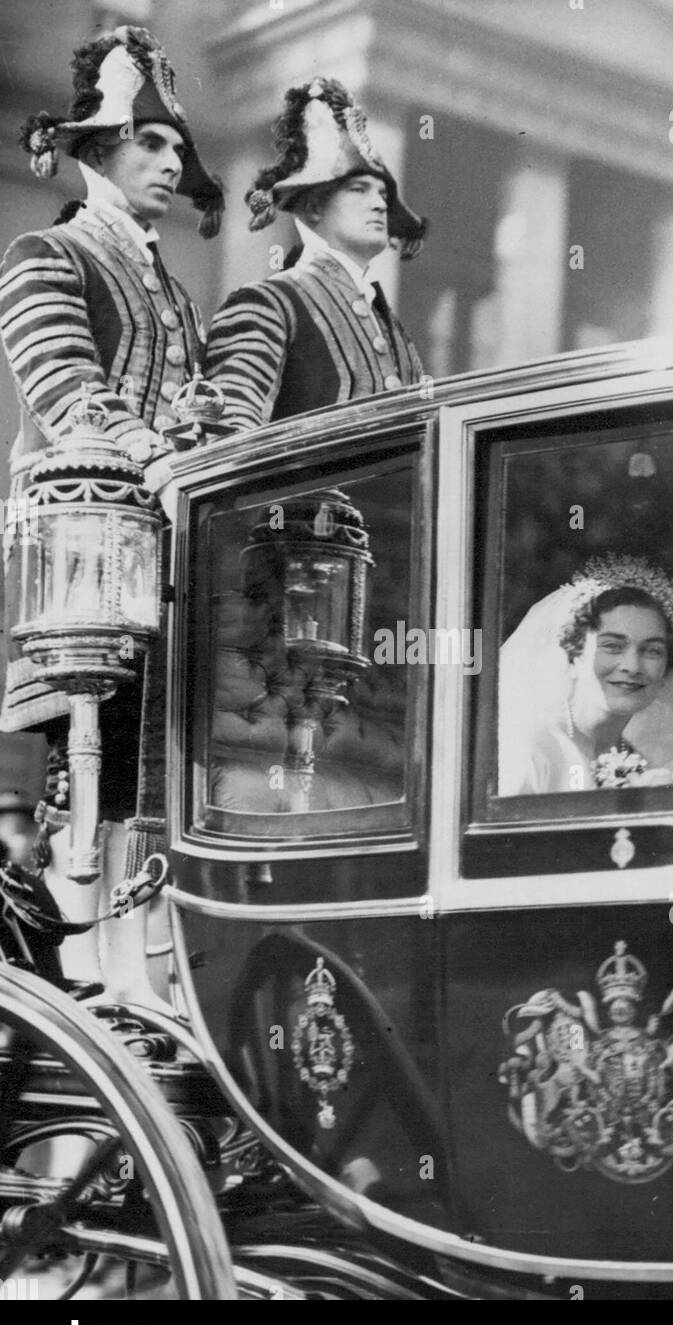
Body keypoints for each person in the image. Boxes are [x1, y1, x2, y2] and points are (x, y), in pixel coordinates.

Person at [0, 25, 223, 1006]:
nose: (173, 161)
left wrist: (206, 434)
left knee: (157, 791)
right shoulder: (45, 254)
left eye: (179, 145)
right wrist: (168, 460)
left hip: (170, 575)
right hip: (83, 571)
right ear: (95, 151)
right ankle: (69, 988)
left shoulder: (173, 289)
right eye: (151, 143)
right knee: (88, 803)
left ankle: (137, 987)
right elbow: (69, 394)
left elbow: (191, 404)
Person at [204, 76, 426, 429]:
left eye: (383, 195)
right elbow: (229, 435)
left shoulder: (393, 332)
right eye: (359, 189)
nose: (379, 205)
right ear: (312, 208)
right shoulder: (269, 304)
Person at [498, 554, 673, 796]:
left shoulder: (644, 760)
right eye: (612, 646)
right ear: (573, 658)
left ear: (665, 672)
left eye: (652, 650)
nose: (632, 666)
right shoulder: (531, 750)